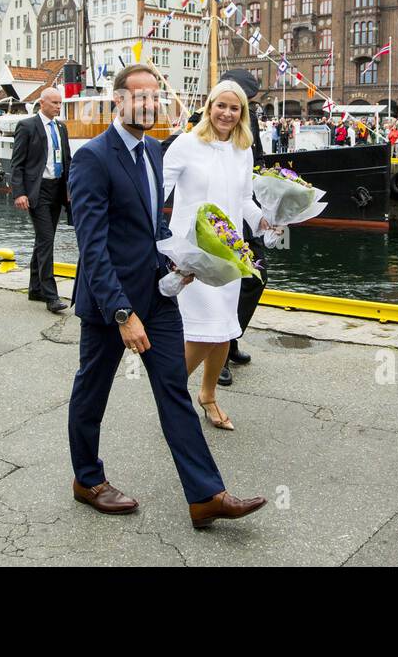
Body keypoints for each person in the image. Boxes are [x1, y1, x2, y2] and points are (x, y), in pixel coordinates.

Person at [67, 64, 266, 528]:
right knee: (92, 391)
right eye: (137, 96)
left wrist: (176, 266)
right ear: (117, 100)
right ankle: (87, 480)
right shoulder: (94, 158)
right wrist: (121, 313)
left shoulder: (155, 151)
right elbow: (92, 246)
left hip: (158, 297)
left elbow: (155, 225)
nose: (148, 103)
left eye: (154, 96)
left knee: (174, 390)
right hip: (109, 301)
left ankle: (206, 496)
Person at [162, 80, 271, 427]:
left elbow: (242, 200)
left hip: (229, 253)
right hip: (192, 252)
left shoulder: (243, 149)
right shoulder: (186, 144)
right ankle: (171, 397)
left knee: (226, 328)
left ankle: (207, 395)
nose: (226, 113)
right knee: (202, 330)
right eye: (220, 105)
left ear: (243, 113)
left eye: (234, 107)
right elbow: (157, 193)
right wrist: (160, 242)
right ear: (209, 107)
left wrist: (265, 221)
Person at [9, 87, 71, 314]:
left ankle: (35, 287)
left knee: (45, 238)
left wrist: (70, 187)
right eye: (54, 102)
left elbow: (67, 159)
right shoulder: (27, 126)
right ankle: (50, 294)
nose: (57, 106)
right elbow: (17, 163)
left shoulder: (61, 128)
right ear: (42, 103)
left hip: (57, 189)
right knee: (46, 241)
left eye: (59, 103)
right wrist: (19, 193)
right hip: (38, 190)